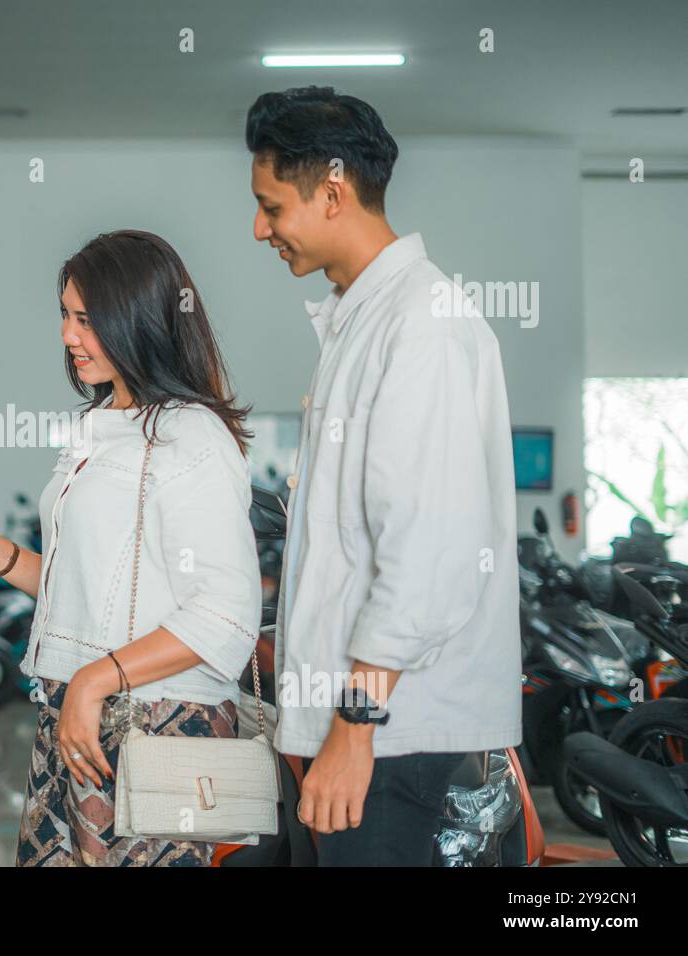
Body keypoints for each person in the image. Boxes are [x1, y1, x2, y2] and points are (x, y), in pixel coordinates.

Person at [245, 87, 521, 865]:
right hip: (372, 733)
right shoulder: (366, 320)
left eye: (270, 206)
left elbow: (429, 554)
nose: (259, 228)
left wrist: (354, 730)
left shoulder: (421, 325)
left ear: (331, 191)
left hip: (396, 741)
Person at [0, 229, 261, 866]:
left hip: (158, 727)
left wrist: (94, 679)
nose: (67, 335)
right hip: (78, 715)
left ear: (138, 322)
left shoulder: (192, 438)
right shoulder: (100, 425)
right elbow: (86, 592)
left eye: (86, 319)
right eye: (64, 315)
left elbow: (224, 614)